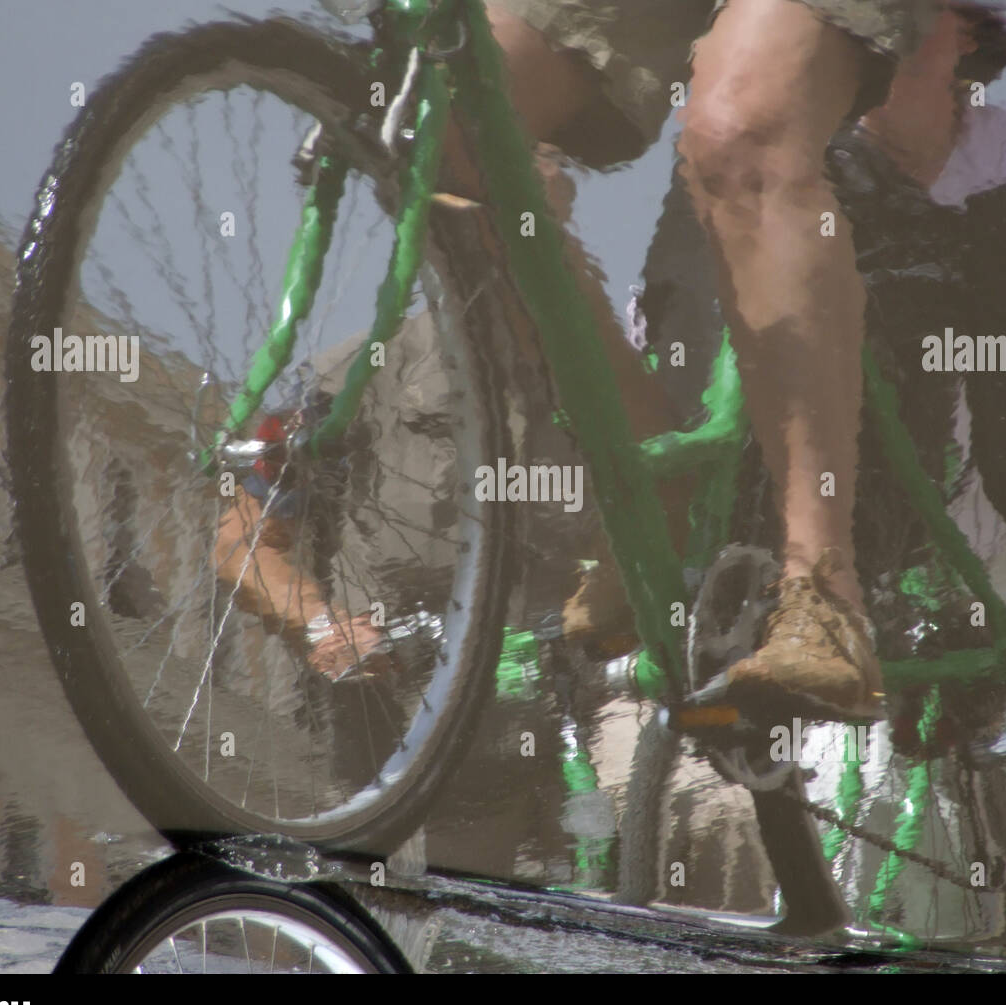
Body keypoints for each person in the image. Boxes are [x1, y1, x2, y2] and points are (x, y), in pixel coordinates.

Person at [218, 0, 959, 720]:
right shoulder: (354, 376)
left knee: (740, 135)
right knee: (452, 127)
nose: (547, 169)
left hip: (540, 750)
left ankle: (822, 591)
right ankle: (653, 506)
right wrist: (322, 625)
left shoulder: (635, 351)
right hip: (413, 730)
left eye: (550, 163)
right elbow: (242, 530)